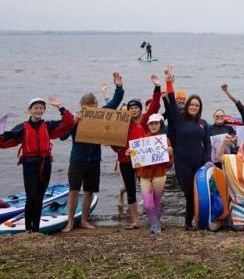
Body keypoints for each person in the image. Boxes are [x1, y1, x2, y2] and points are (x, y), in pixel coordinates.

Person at [61, 71, 125, 232]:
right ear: (83, 106)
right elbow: (62, 136)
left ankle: (84, 220)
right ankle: (70, 222)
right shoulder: (76, 118)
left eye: (93, 105)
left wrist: (118, 86)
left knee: (89, 190)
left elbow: (116, 102)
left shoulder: (100, 114)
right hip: (77, 159)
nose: (91, 107)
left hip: (94, 160)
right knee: (74, 190)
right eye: (87, 105)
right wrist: (73, 122)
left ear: (96, 105)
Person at [1, 97, 74, 233]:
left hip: (45, 164)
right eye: (36, 108)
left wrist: (60, 107)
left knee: (40, 197)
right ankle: (28, 228)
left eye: (41, 108)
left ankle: (36, 228)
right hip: (29, 166)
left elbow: (69, 123)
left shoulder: (48, 126)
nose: (38, 110)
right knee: (31, 197)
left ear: (44, 110)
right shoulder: (22, 128)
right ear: (30, 110)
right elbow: (5, 140)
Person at [112, 74, 162, 230]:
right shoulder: (122, 124)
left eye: (136, 108)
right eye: (131, 108)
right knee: (130, 190)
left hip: (144, 161)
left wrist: (157, 87)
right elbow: (114, 143)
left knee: (150, 190)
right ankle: (135, 221)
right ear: (128, 110)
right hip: (126, 161)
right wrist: (120, 150)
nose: (134, 110)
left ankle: (154, 219)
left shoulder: (146, 121)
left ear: (140, 109)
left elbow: (154, 105)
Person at [164, 66, 212, 230]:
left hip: (199, 162)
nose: (193, 107)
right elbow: (171, 99)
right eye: (191, 104)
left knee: (199, 193)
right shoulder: (179, 119)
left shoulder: (203, 123)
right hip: (182, 162)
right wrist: (168, 82)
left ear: (200, 108)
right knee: (189, 193)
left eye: (196, 106)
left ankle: (196, 220)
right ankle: (188, 221)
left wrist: (208, 161)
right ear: (187, 105)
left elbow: (207, 143)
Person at [132, 113, 173, 235]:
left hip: (160, 175)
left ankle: (156, 225)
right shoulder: (142, 140)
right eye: (151, 124)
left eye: (156, 123)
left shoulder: (166, 140)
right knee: (148, 204)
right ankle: (155, 226)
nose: (154, 126)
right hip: (145, 176)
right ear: (148, 125)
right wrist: (132, 153)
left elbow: (169, 164)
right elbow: (138, 162)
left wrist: (170, 153)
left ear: (160, 125)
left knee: (157, 201)